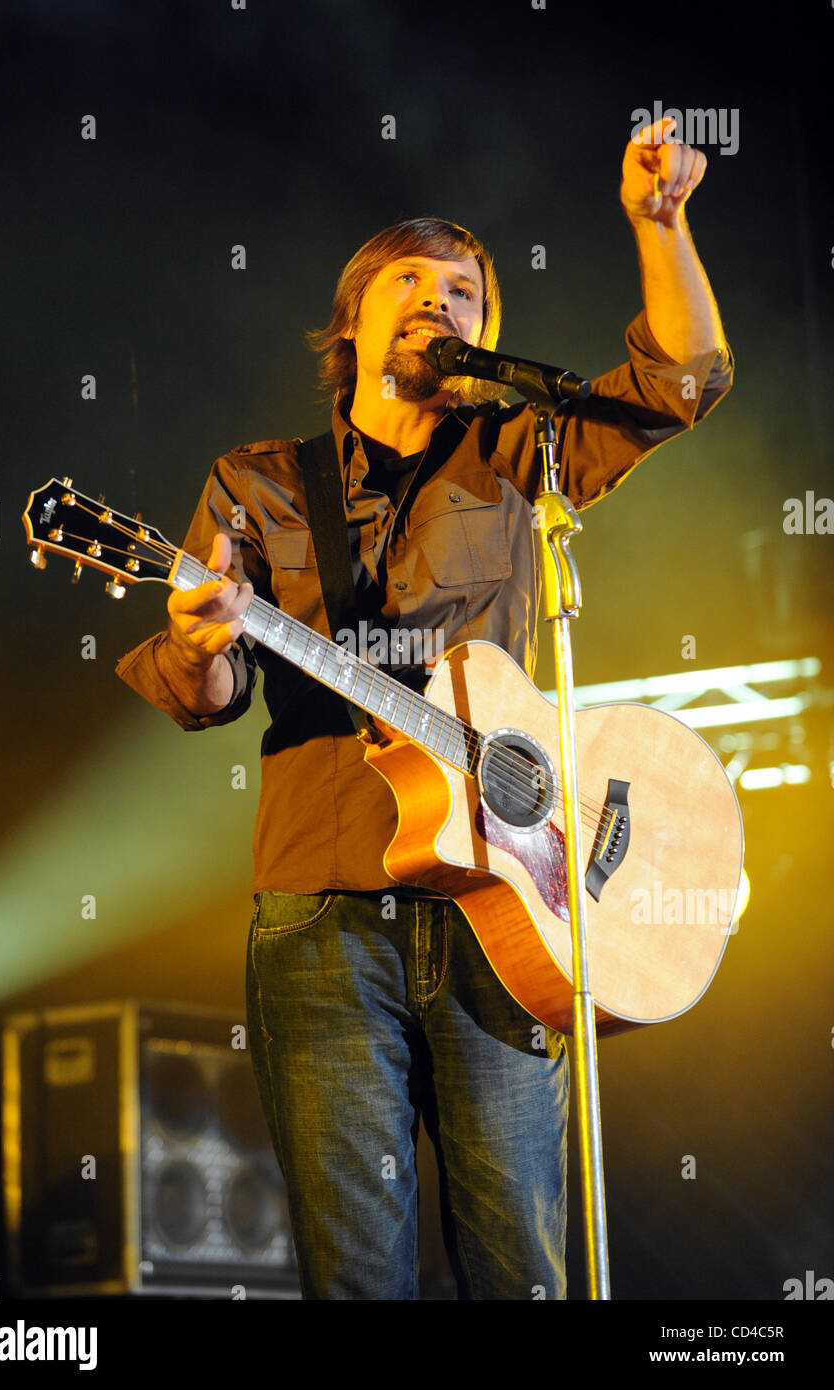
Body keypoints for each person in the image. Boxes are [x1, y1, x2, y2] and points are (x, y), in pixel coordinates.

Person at [116, 118, 733, 1300]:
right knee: (359, 1275)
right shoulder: (257, 483)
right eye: (410, 279)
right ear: (350, 320)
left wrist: (661, 221)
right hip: (325, 909)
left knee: (526, 1268)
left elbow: (681, 380)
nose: (438, 300)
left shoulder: (521, 449)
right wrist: (202, 640)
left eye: (465, 289)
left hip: (514, 906)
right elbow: (209, 691)